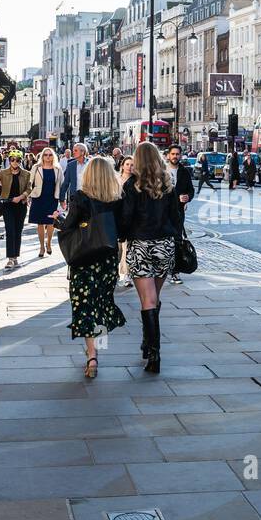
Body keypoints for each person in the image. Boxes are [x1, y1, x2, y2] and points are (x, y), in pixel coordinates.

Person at [53, 156, 126, 380]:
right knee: (102, 302)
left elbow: (69, 226)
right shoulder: (118, 198)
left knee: (84, 305)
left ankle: (92, 355)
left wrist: (58, 219)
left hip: (84, 259)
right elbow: (122, 230)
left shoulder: (81, 197)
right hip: (107, 258)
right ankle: (99, 345)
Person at [121, 142, 184, 374]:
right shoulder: (167, 183)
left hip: (140, 245)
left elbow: (125, 218)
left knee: (147, 300)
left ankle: (153, 352)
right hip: (164, 245)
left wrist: (121, 236)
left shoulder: (132, 185)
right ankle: (149, 345)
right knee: (155, 298)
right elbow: (176, 217)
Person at [0, 152, 32, 268]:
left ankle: (15, 257)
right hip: (7, 205)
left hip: (20, 205)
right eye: (13, 159)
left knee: (18, 231)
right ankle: (10, 259)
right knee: (10, 231)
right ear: (9, 160)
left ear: (21, 161)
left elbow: (29, 189)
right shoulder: (3, 173)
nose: (15, 162)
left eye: (18, 160)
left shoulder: (26, 174)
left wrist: (21, 197)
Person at [27, 147, 63, 258]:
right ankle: (42, 246)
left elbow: (61, 185)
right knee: (40, 222)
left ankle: (49, 243)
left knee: (51, 221)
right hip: (38, 197)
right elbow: (29, 182)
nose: (48, 157)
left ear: (53, 156)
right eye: (45, 155)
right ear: (42, 156)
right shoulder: (36, 167)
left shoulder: (57, 169)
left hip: (52, 198)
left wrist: (62, 200)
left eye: (50, 155)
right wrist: (28, 195)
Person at [166, 145, 194, 285]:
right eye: (173, 154)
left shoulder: (184, 172)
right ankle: (162, 270)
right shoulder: (161, 171)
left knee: (177, 241)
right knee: (163, 241)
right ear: (168, 155)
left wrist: (188, 197)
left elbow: (191, 190)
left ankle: (175, 273)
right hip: (162, 213)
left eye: (177, 154)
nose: (175, 156)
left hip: (178, 213)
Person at [116, 158, 136, 288]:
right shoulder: (115, 179)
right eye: (127, 164)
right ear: (122, 166)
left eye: (132, 165)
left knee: (128, 248)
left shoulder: (136, 181)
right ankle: (116, 274)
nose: (129, 167)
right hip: (117, 216)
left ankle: (127, 275)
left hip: (131, 218)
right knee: (117, 248)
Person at [61, 142, 89, 208]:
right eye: (73, 150)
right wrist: (62, 199)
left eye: (76, 150)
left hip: (89, 199)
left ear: (82, 152)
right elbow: (65, 183)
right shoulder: (70, 165)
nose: (73, 152)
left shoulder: (91, 164)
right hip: (74, 199)